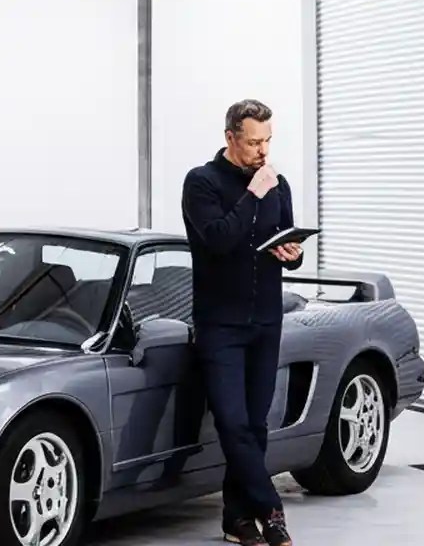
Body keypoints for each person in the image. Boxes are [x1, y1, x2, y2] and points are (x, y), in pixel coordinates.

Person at [181, 99, 303, 546]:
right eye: (253, 142)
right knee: (232, 422)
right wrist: (253, 194)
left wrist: (293, 253)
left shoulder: (278, 183)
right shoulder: (202, 182)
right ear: (230, 137)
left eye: (267, 141)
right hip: (221, 324)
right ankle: (270, 509)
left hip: (266, 320)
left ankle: (237, 518)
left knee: (255, 424)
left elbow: (285, 240)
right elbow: (218, 240)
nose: (263, 151)